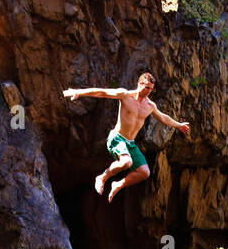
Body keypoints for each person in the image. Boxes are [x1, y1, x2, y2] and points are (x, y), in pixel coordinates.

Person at [62, 72, 190, 201]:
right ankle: (102, 177)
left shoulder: (150, 106)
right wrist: (79, 92)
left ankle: (118, 185)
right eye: (146, 87)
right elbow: (102, 92)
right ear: (140, 84)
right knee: (126, 162)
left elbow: (163, 117)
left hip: (130, 143)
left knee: (144, 172)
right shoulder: (125, 95)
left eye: (151, 89)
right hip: (117, 138)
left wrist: (178, 125)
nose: (148, 91)